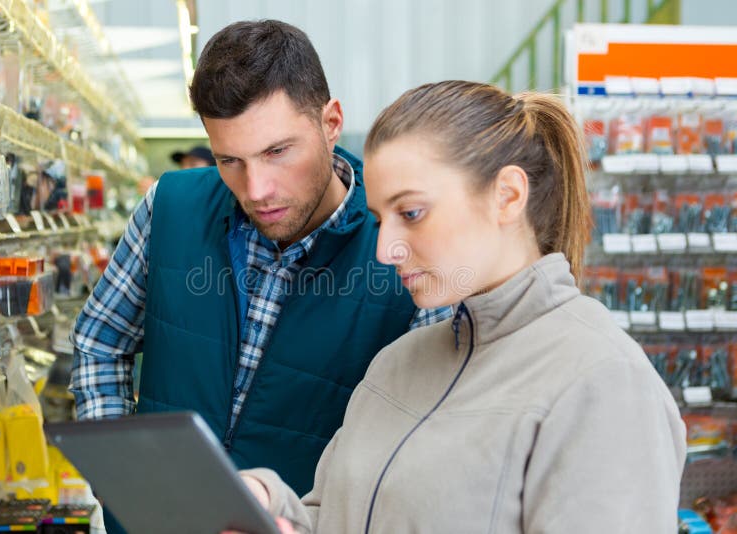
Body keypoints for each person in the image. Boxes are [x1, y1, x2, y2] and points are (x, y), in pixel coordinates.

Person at [237, 81, 687, 533]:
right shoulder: (397, 363)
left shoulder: (602, 381)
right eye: (379, 220)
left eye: (411, 213)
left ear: (508, 196)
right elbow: (335, 517)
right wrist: (266, 506)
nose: (385, 249)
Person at [69, 18, 451, 516]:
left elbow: (420, 441)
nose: (256, 190)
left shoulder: (401, 247)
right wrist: (120, 474)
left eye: (277, 152)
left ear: (330, 123)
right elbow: (100, 340)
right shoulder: (170, 207)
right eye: (230, 160)